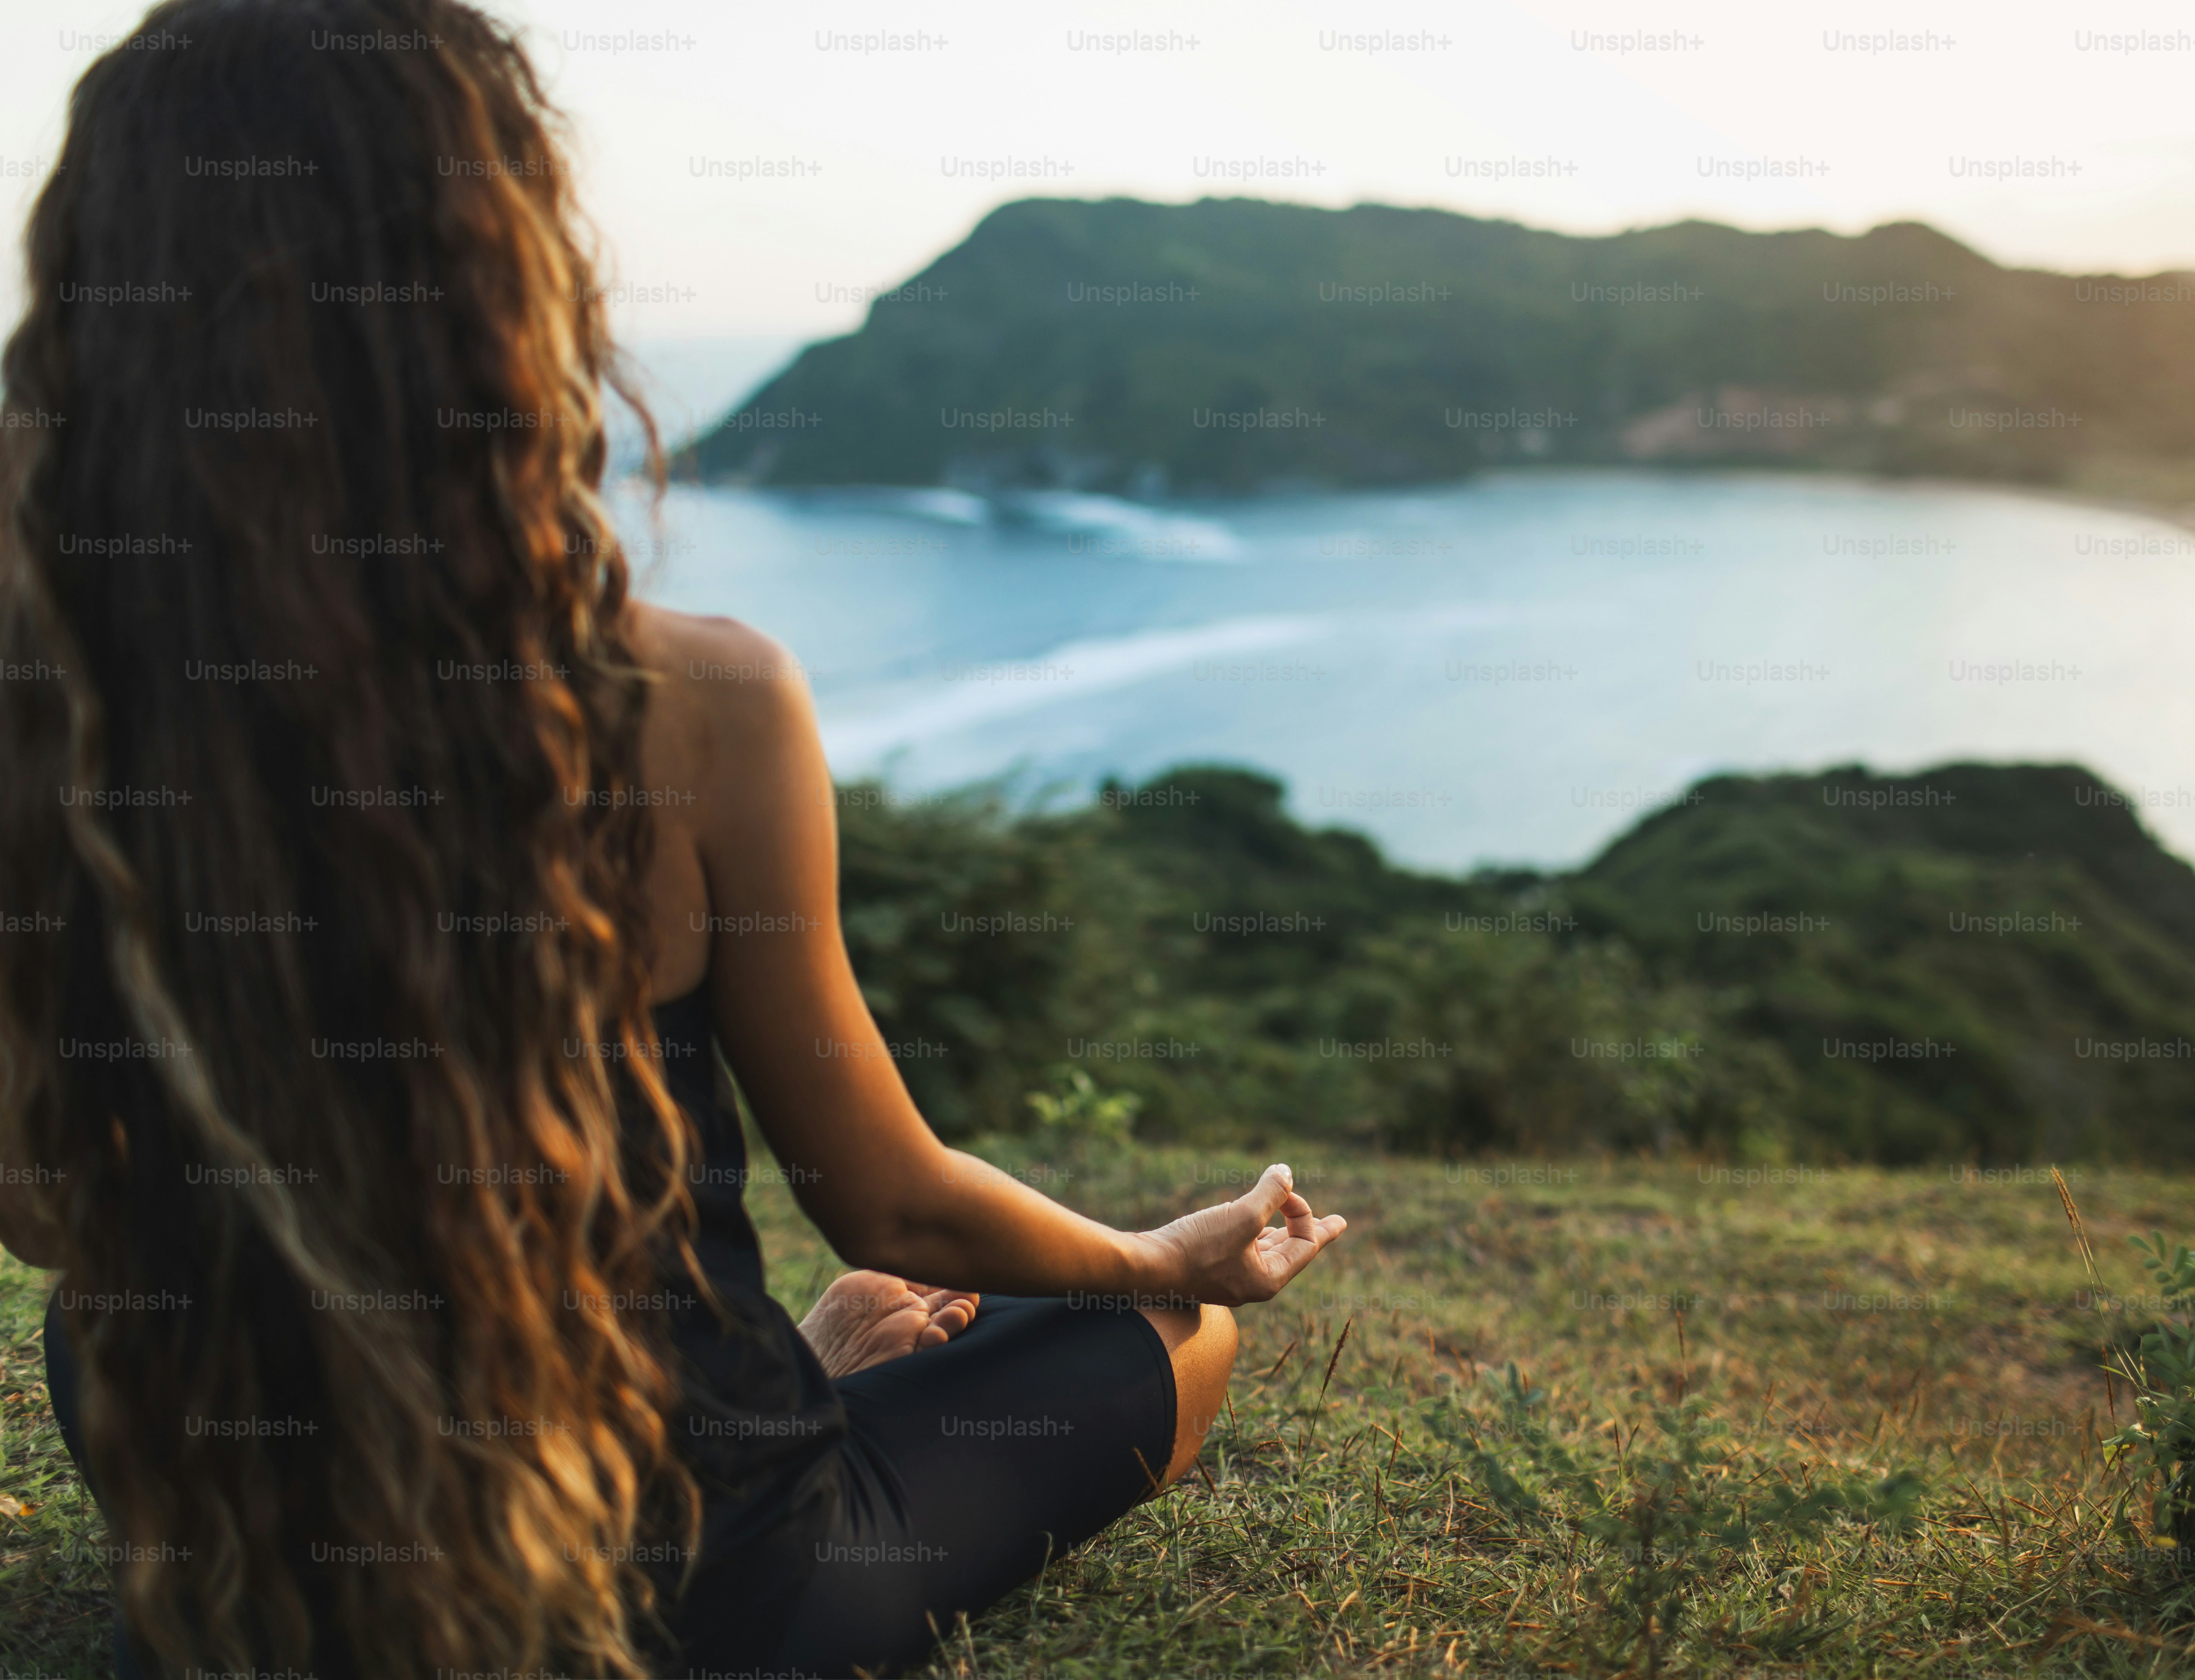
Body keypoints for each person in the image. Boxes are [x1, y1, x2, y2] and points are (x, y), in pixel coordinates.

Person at [0, 2, 1346, 1675]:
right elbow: (900, 1208)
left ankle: (817, 1374)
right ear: (497, 275)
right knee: (1172, 1333)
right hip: (693, 1593)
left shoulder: (40, 698)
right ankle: (830, 1381)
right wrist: (1161, 1248)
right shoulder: (691, 700)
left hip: (257, 1559)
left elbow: (52, 1212)